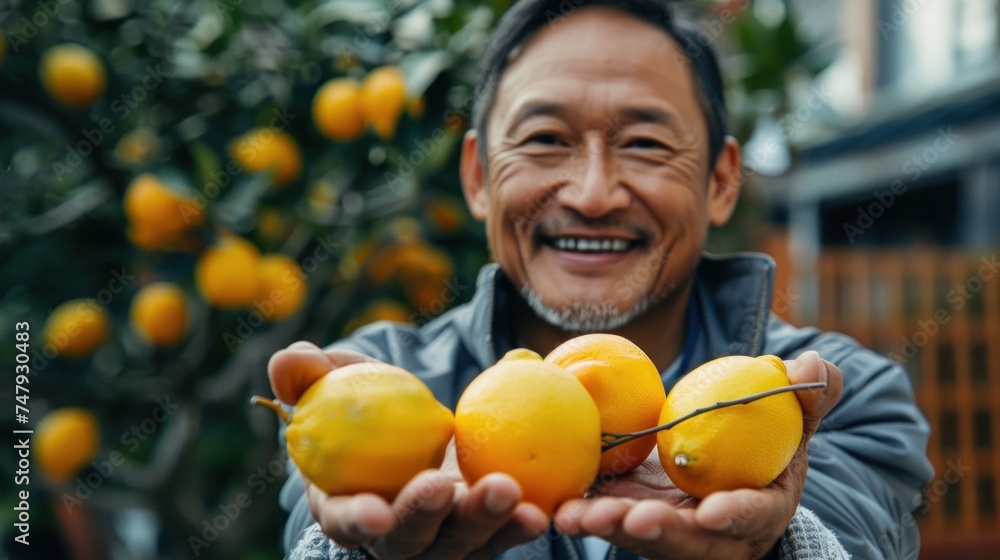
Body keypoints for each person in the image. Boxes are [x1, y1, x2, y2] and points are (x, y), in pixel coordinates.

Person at [270, 1, 934, 558]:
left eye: (644, 143)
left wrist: (779, 546)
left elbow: (857, 532)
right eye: (544, 139)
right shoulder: (374, 381)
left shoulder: (835, 395)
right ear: (477, 177)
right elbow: (327, 523)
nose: (592, 194)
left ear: (721, 181)